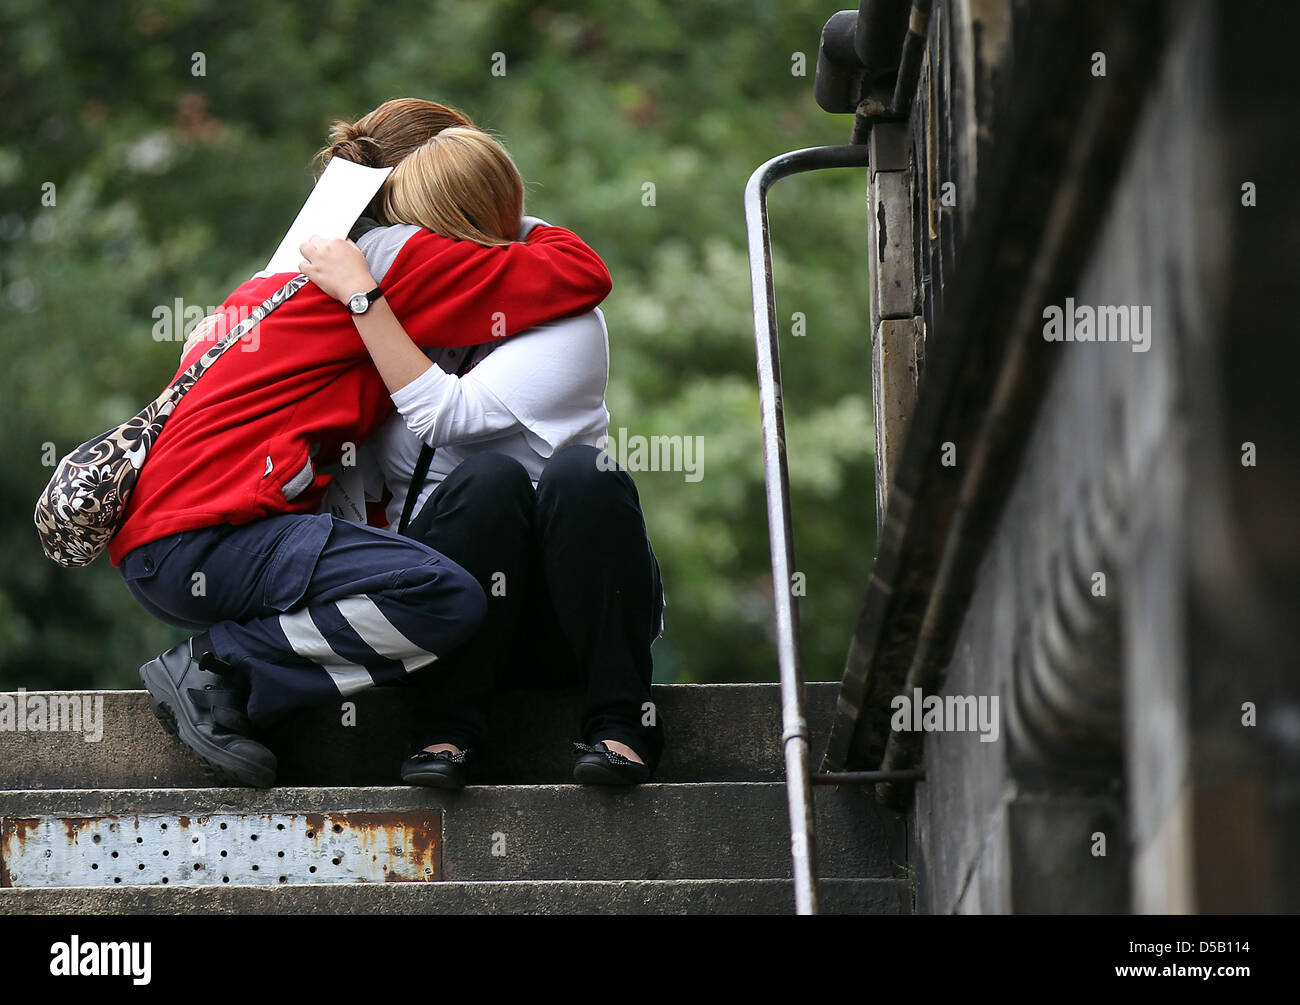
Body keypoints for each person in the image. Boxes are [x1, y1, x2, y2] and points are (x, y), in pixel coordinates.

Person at [117, 99, 612, 788]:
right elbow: (580, 270)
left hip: (173, 535)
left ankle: (249, 698)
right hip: (214, 534)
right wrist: (498, 209)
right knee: (444, 594)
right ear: (439, 183)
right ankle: (218, 669)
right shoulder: (402, 261)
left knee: (394, 573)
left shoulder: (295, 262)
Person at [299, 128, 666, 786]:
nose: (408, 247)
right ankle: (445, 732)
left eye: (420, 227)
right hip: (448, 621)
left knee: (580, 473)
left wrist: (364, 297)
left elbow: (446, 413)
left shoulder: (569, 319)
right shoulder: (409, 305)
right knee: (486, 483)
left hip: (560, 621)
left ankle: (622, 723)